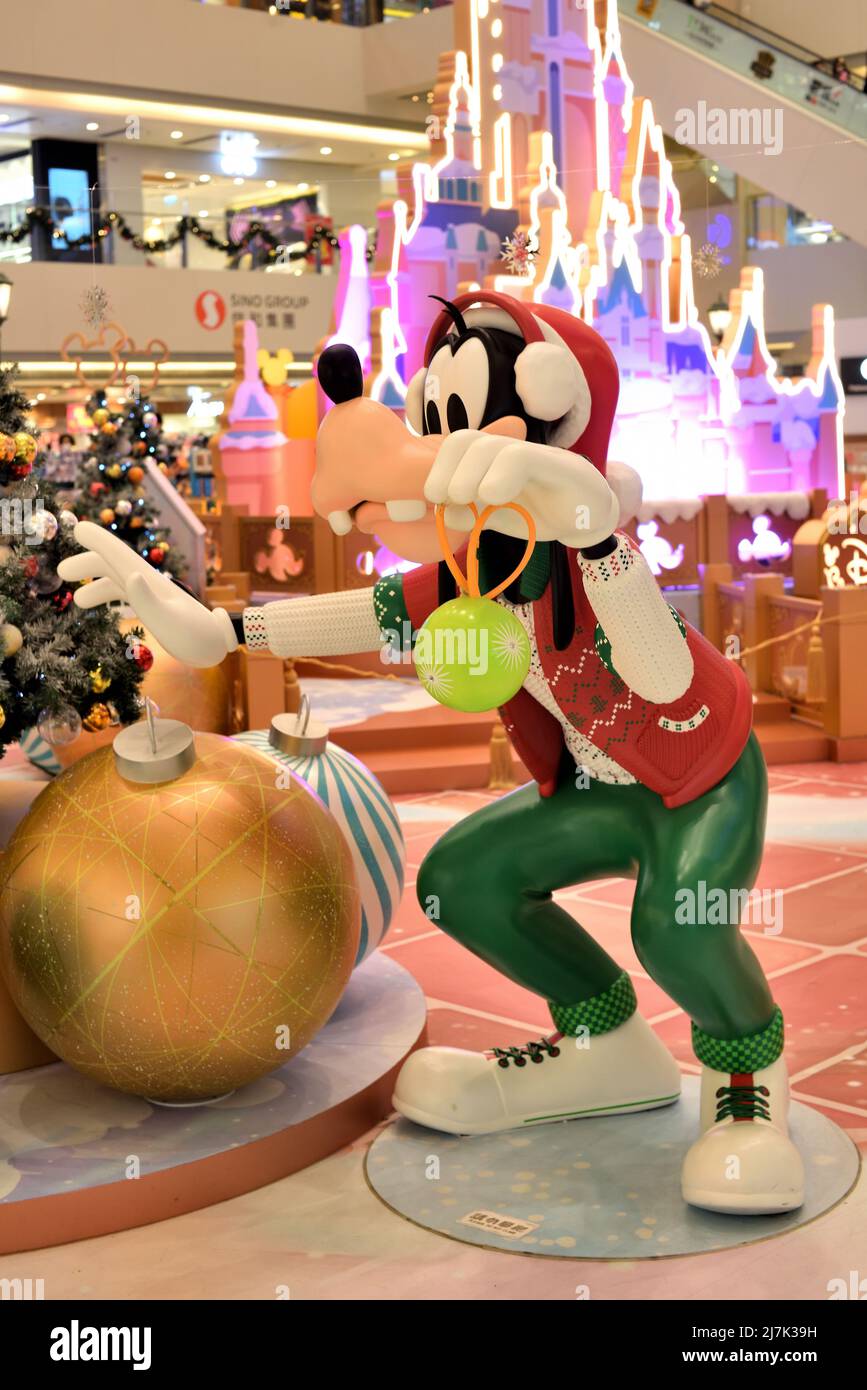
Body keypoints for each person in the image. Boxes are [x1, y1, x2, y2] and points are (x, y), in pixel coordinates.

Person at [59, 291, 804, 1217]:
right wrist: (215, 626)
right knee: (462, 878)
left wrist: (598, 533)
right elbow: (361, 613)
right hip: (603, 791)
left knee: (677, 926)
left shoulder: (590, 554)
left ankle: (748, 1073)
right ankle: (605, 1050)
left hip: (701, 777)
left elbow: (658, 676)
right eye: (439, 418)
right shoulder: (476, 567)